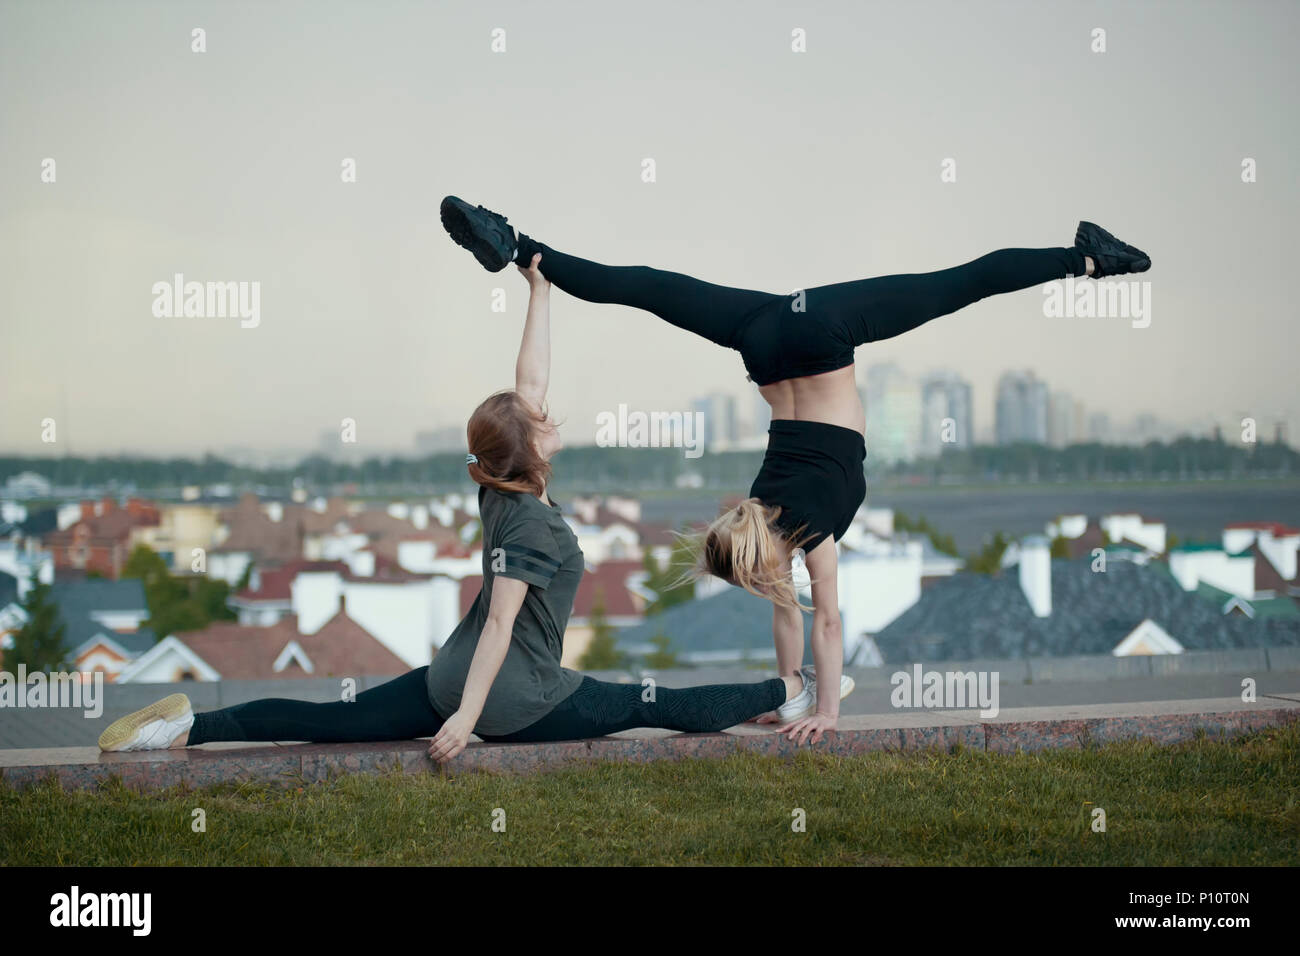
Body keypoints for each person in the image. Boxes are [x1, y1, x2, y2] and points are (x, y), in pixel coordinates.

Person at [438, 195, 1152, 736]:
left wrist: (826, 709)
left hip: (819, 336)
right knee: (647, 287)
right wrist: (791, 694)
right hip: (765, 330)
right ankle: (523, 248)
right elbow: (793, 615)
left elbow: (825, 625)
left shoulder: (811, 537)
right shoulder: (756, 506)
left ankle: (1086, 258)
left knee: (952, 288)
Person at [97, 254, 826, 760]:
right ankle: (792, 690)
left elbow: (528, 383)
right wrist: (469, 725)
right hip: (517, 701)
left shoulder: (500, 484)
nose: (550, 415)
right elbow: (503, 620)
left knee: (336, 722)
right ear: (534, 447)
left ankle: (187, 727)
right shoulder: (534, 520)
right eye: (541, 419)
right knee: (648, 702)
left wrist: (540, 289)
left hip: (449, 678)